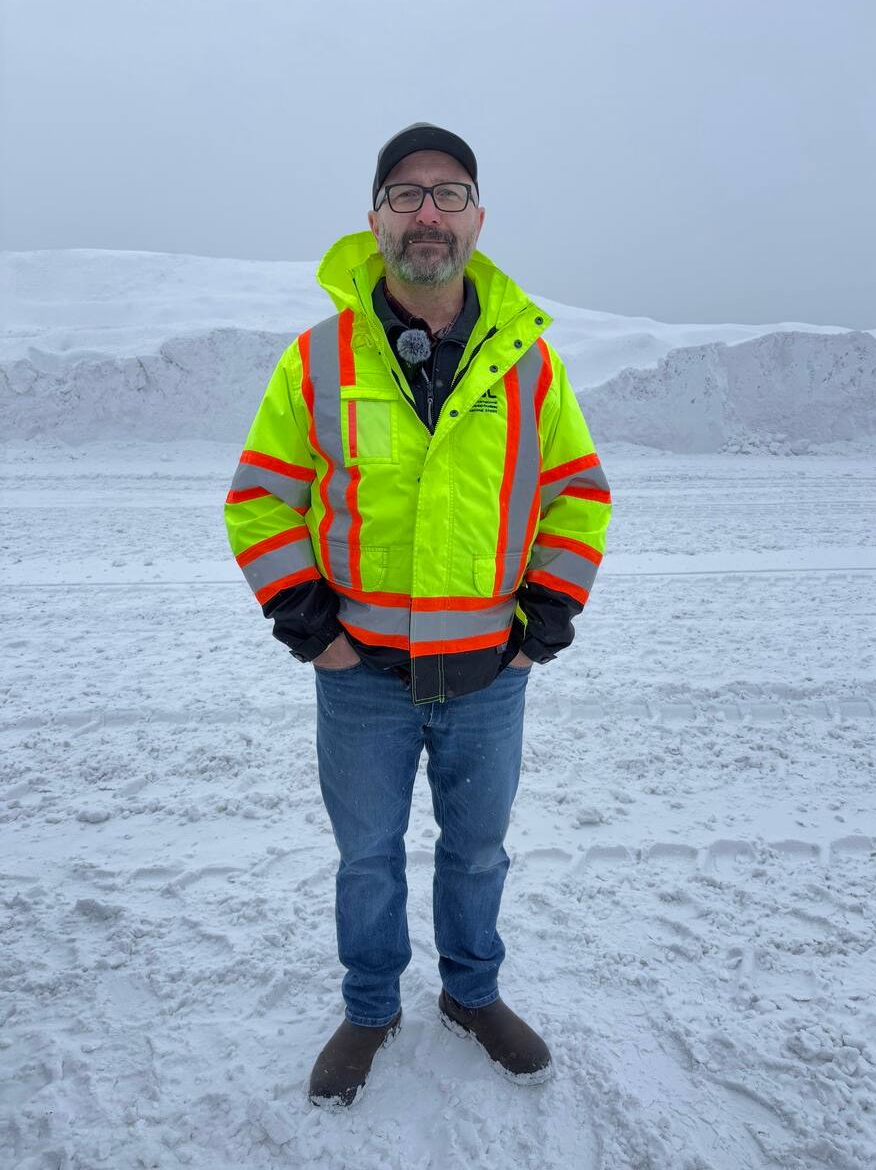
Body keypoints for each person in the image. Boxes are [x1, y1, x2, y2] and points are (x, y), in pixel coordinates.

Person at [224, 122, 612, 1108]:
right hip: (364, 682)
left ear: (477, 217)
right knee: (367, 856)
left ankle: (471, 994)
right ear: (376, 220)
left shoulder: (529, 362)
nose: (427, 213)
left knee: (479, 850)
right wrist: (314, 626)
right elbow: (262, 497)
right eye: (407, 195)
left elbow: (577, 493)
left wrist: (547, 614)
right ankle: (369, 1007)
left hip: (490, 677)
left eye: (448, 193)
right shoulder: (318, 360)